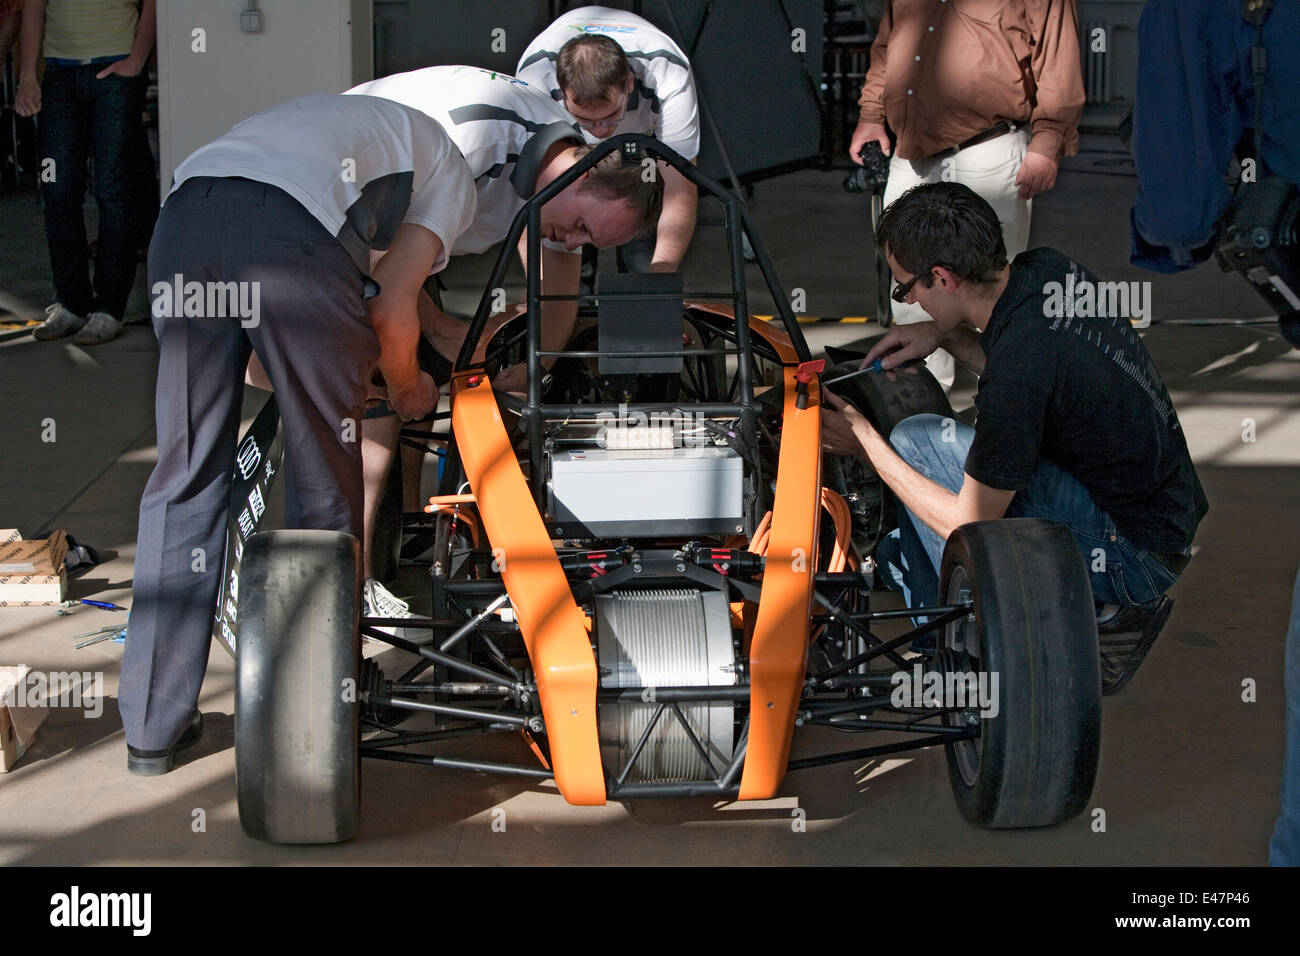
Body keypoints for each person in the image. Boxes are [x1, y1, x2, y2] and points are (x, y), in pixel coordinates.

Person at [119, 93, 478, 774]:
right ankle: (311, 723)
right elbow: (396, 307)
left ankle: (151, 727)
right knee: (321, 480)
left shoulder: (348, 131)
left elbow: (267, 355)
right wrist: (406, 388)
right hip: (286, 241)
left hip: (185, 222)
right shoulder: (451, 172)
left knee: (185, 470)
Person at [303, 64, 660, 629]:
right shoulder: (470, 147)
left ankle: (409, 526)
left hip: (401, 236)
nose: (574, 242)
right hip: (332, 209)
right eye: (583, 228)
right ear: (578, 177)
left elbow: (558, 291)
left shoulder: (564, 173)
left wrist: (533, 366)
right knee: (372, 380)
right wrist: (436, 334)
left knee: (424, 363)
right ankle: (351, 586)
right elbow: (377, 270)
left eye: (592, 241)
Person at [821, 182, 1208, 667]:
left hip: (1135, 557)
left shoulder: (1019, 374)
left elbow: (970, 520)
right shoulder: (1047, 270)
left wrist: (865, 444)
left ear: (942, 278)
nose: (911, 302)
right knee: (916, 509)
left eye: (906, 288)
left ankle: (950, 656)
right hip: (1164, 515)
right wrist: (945, 337)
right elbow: (1044, 380)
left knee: (912, 444)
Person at [847, 0, 1084, 388]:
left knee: (993, 292)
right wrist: (871, 116)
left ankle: (1006, 410)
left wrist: (1048, 141)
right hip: (913, 154)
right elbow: (889, 45)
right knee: (909, 290)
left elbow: (1057, 58)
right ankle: (920, 409)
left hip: (988, 148)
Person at [517, 6, 698, 280]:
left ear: (628, 83)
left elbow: (680, 190)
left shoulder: (667, 75)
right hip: (568, 146)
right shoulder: (535, 81)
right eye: (586, 120)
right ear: (562, 93)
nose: (601, 132)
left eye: (612, 116)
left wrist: (661, 273)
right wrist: (545, 290)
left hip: (641, 143)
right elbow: (532, 198)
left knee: (642, 248)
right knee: (568, 234)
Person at [16, 0, 155, 345]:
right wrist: (28, 76)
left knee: (113, 191)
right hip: (60, 76)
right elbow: (33, 7)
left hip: (116, 73)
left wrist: (137, 60)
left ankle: (109, 308)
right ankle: (71, 302)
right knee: (57, 190)